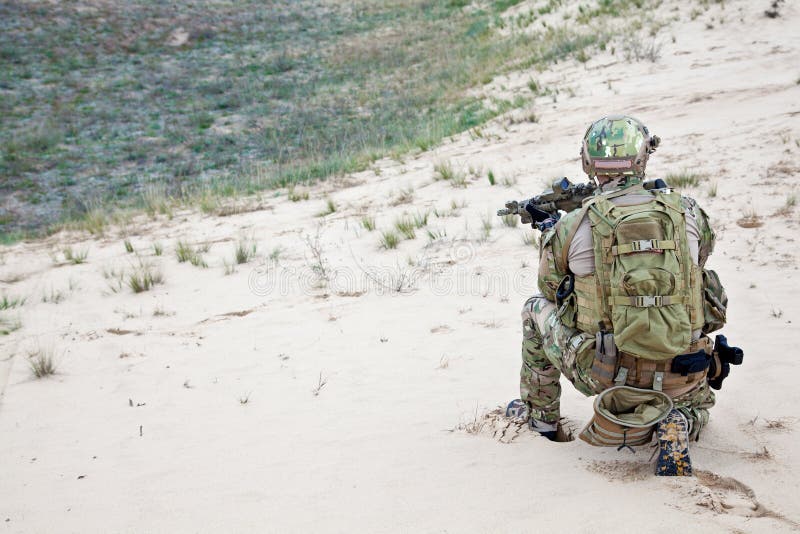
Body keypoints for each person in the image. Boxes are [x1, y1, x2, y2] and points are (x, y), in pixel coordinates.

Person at [506, 115, 727, 476]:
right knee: (697, 399)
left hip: (606, 372)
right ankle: (682, 419)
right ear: (642, 159)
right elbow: (697, 265)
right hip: (683, 370)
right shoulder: (688, 212)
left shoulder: (574, 223)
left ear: (587, 163)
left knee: (535, 310)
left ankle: (541, 420)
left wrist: (553, 237)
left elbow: (550, 291)